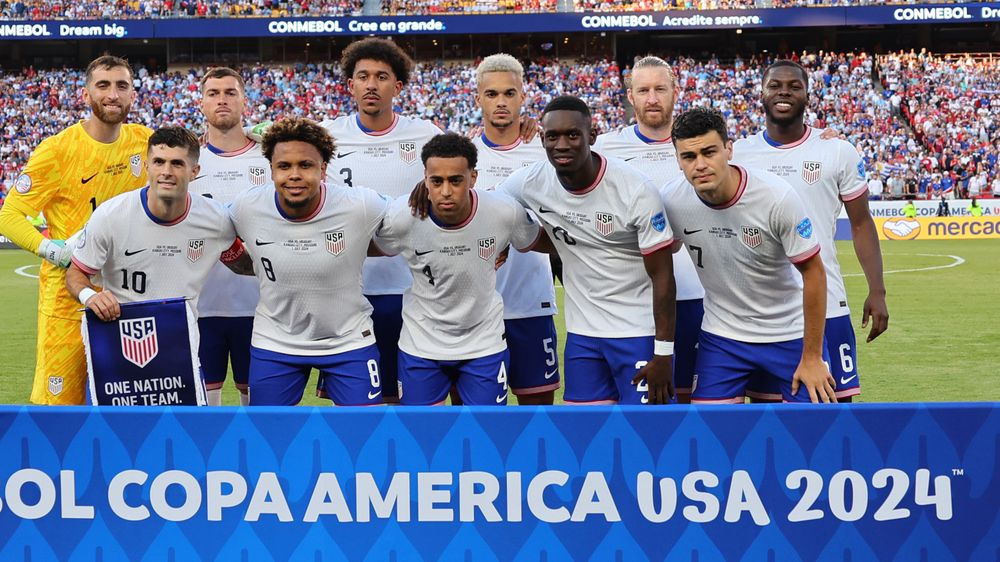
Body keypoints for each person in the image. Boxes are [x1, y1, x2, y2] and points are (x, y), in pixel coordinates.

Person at [497, 95, 677, 405]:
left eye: (572, 134)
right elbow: (488, 207)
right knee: (584, 436)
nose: (562, 144)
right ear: (542, 138)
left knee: (651, 437)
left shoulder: (635, 189)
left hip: (638, 332)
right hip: (582, 337)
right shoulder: (529, 182)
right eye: (552, 136)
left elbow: (663, 275)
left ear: (591, 136)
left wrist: (663, 353)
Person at [732, 60, 888, 403]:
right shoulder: (738, 154)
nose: (784, 91)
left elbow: (861, 223)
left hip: (827, 302)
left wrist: (877, 290)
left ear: (808, 96)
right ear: (761, 93)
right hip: (762, 312)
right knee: (766, 414)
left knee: (834, 408)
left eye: (794, 86)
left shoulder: (836, 151)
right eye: (775, 85)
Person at [0, 55, 152, 405]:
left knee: (129, 409)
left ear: (132, 95)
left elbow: (192, 164)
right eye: (103, 85)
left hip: (129, 298)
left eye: (122, 86)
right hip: (68, 301)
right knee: (59, 411)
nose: (113, 94)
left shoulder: (145, 142)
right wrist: (55, 251)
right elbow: (9, 215)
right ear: (86, 94)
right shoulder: (58, 150)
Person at [664, 107, 836, 404]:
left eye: (709, 152)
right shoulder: (672, 200)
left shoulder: (775, 197)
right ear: (678, 160)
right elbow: (662, 252)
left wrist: (811, 356)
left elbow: (814, 273)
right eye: (689, 157)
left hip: (789, 334)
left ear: (729, 149)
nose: (700, 165)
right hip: (722, 336)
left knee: (811, 432)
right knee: (709, 433)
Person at [228, 117, 389, 407]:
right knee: (268, 438)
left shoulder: (360, 205)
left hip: (349, 339)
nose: (294, 175)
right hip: (275, 340)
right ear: (271, 169)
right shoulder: (246, 207)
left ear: (324, 169)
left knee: (366, 435)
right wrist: (239, 261)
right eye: (284, 166)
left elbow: (411, 223)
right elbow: (202, 229)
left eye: (306, 165)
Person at [375, 133, 542, 405]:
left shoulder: (503, 212)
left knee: (487, 435)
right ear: (425, 178)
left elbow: (534, 241)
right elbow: (369, 247)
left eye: (456, 180)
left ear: (473, 178)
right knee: (421, 438)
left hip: (484, 344)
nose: (446, 191)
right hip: (421, 345)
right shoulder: (402, 216)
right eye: (436, 181)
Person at [320, 38, 442, 404]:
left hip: (414, 291)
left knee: (415, 402)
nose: (371, 84)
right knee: (360, 406)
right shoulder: (326, 136)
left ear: (398, 86)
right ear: (350, 85)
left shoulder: (426, 135)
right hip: (350, 293)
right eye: (363, 76)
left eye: (382, 76)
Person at [593, 56, 705, 404]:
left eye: (660, 89)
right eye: (644, 90)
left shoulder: (703, 142)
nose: (652, 98)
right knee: (648, 408)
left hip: (699, 298)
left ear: (675, 91)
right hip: (633, 304)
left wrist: (823, 136)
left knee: (695, 402)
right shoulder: (606, 149)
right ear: (630, 96)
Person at [66, 127, 243, 323]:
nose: (166, 172)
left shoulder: (215, 219)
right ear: (146, 166)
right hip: (120, 336)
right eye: (159, 162)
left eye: (177, 164)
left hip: (181, 341)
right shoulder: (111, 215)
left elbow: (243, 265)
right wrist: (89, 296)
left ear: (194, 171)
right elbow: (76, 272)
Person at [469, 54, 559, 405]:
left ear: (523, 96)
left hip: (530, 303)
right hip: (475, 308)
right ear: (478, 99)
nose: (501, 102)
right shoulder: (464, 156)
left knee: (538, 413)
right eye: (491, 94)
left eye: (509, 93)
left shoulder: (547, 151)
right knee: (476, 418)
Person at [188, 67, 272, 406]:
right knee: (205, 406)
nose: (221, 99)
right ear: (201, 103)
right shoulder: (186, 161)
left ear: (244, 101)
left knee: (256, 406)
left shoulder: (270, 156)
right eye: (213, 93)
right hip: (199, 306)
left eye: (230, 92)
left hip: (261, 306)